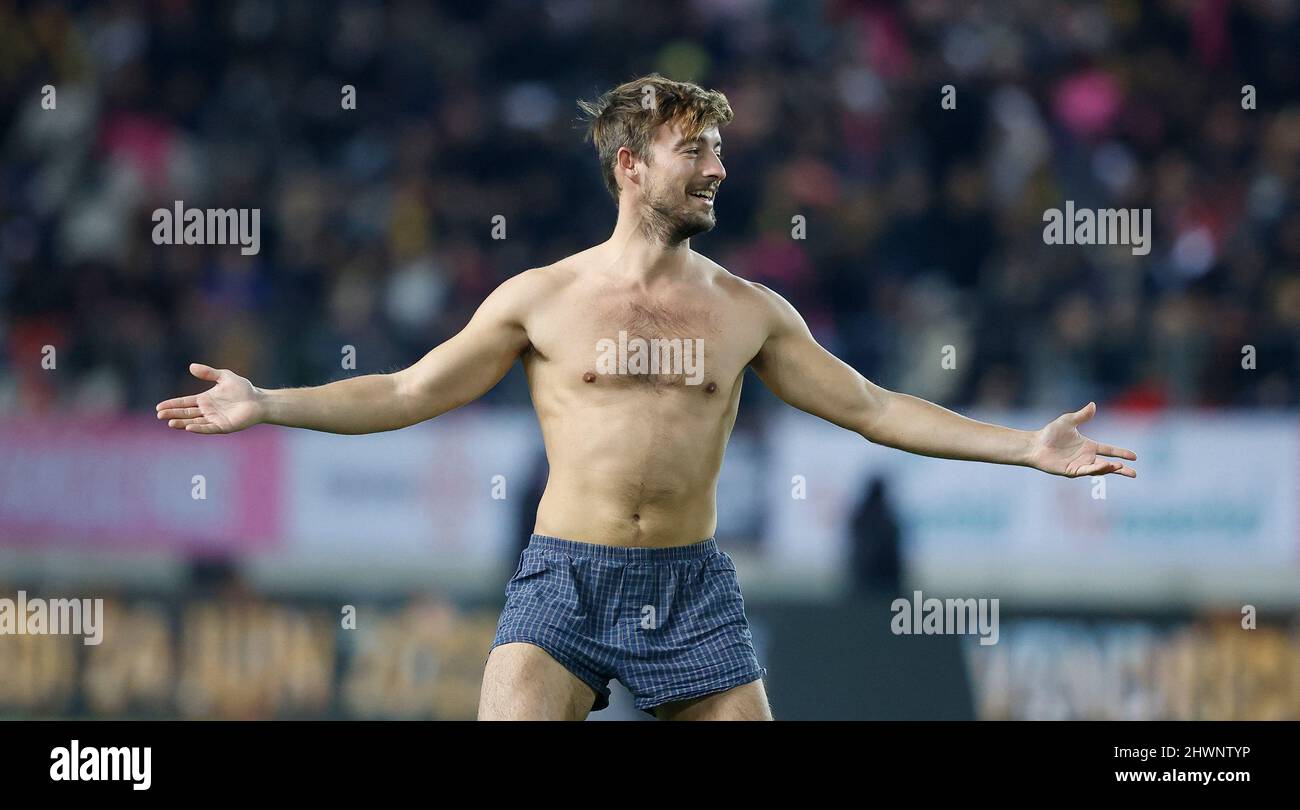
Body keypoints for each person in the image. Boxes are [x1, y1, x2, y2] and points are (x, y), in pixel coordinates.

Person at [155, 74, 1137, 721]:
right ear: (630, 168)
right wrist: (269, 402)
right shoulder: (542, 299)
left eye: (717, 150)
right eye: (694, 151)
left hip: (690, 590)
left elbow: (874, 408)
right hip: (561, 584)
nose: (717, 168)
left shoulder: (749, 312)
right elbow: (409, 389)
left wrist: (1023, 447)